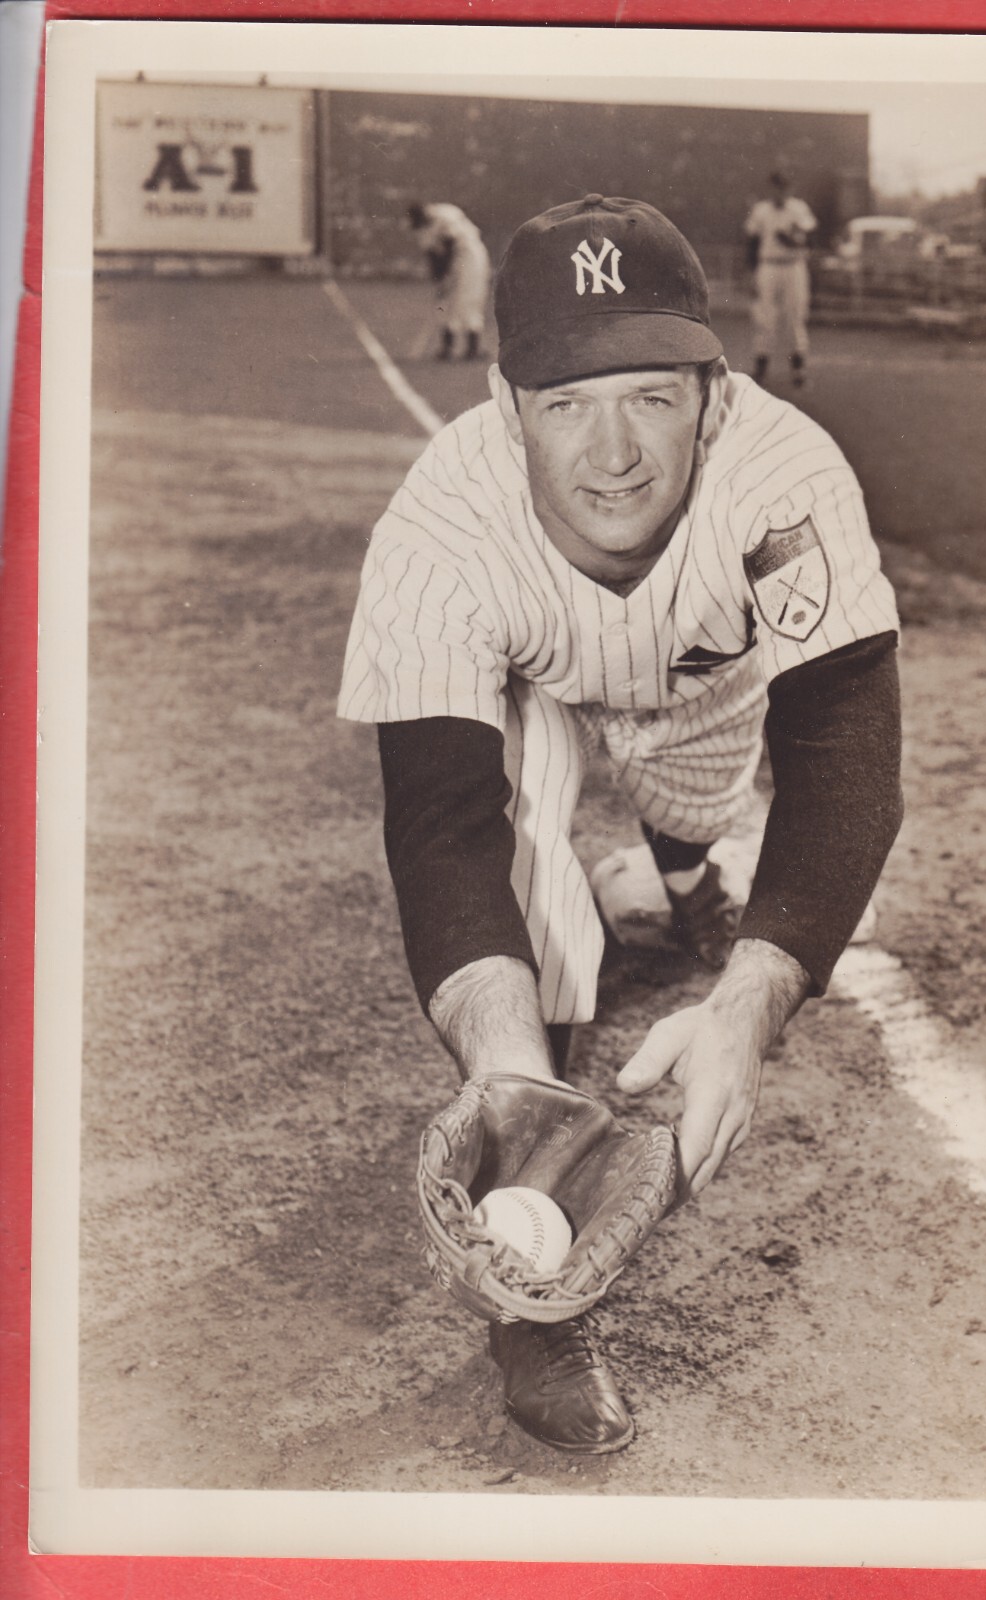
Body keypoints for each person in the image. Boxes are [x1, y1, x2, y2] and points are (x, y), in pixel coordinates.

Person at [339, 195, 902, 1455]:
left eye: (650, 394)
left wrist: (748, 1008)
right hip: (528, 685)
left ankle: (682, 874)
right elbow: (442, 825)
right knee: (540, 902)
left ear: (712, 394)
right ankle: (534, 1301)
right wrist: (505, 1076)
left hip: (703, 685)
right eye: (565, 402)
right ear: (505, 408)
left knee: (696, 815)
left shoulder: (783, 480)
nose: (612, 453)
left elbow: (844, 761)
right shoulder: (439, 530)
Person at [743, 170, 817, 387]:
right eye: (776, 187)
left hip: (793, 266)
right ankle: (761, 365)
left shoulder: (799, 208)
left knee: (795, 315)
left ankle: (798, 367)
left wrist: (793, 241)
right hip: (768, 265)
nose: (780, 192)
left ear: (790, 189)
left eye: (784, 187)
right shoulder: (761, 210)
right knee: (764, 316)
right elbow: (752, 241)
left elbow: (810, 236)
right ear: (771, 189)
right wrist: (751, 272)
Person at [407, 201, 491, 361]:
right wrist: (439, 280)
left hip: (470, 257)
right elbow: (433, 257)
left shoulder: (446, 213)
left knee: (468, 299)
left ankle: (472, 348)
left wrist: (446, 275)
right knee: (445, 303)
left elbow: (450, 245)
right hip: (454, 261)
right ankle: (448, 347)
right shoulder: (423, 230)